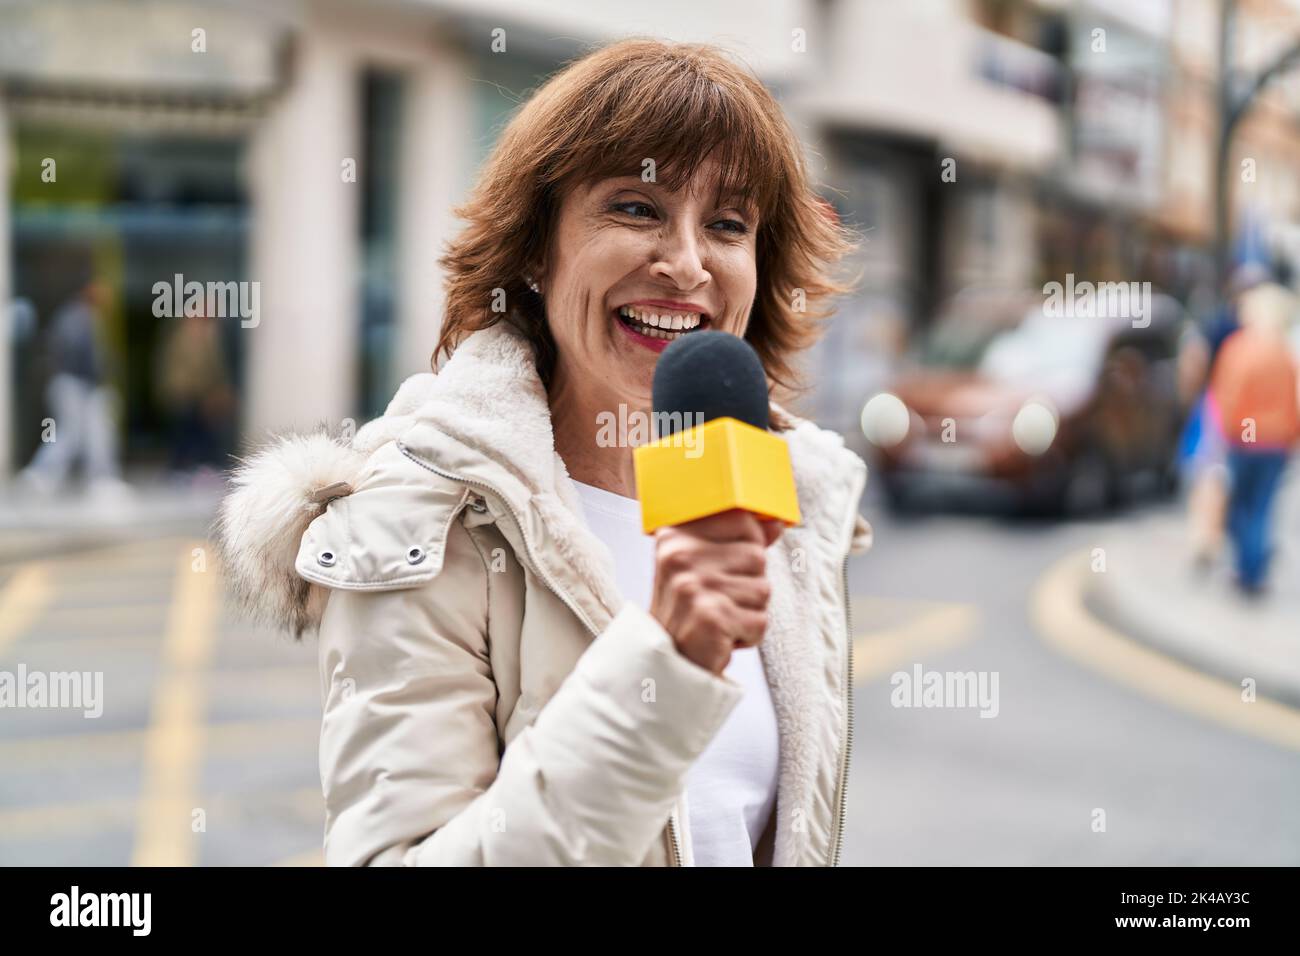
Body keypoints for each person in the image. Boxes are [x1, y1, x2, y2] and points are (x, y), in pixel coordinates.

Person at [215, 39, 871, 867]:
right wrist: (663, 672)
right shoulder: (422, 518)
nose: (686, 263)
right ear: (535, 248)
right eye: (636, 207)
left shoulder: (785, 501)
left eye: (728, 224)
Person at [1209, 282, 1300, 595]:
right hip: (1275, 442)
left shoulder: (1239, 348)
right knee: (1261, 507)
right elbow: (1293, 400)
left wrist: (1229, 432)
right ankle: (1255, 570)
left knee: (1242, 508)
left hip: (1246, 441)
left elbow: (1228, 396)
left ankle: (1247, 570)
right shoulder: (1281, 351)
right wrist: (1291, 436)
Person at [16, 277, 130, 501]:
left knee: (91, 433)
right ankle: (42, 475)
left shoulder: (83, 316)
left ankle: (95, 479)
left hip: (77, 384)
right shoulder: (77, 316)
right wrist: (97, 376)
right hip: (74, 384)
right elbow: (79, 353)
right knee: (73, 433)